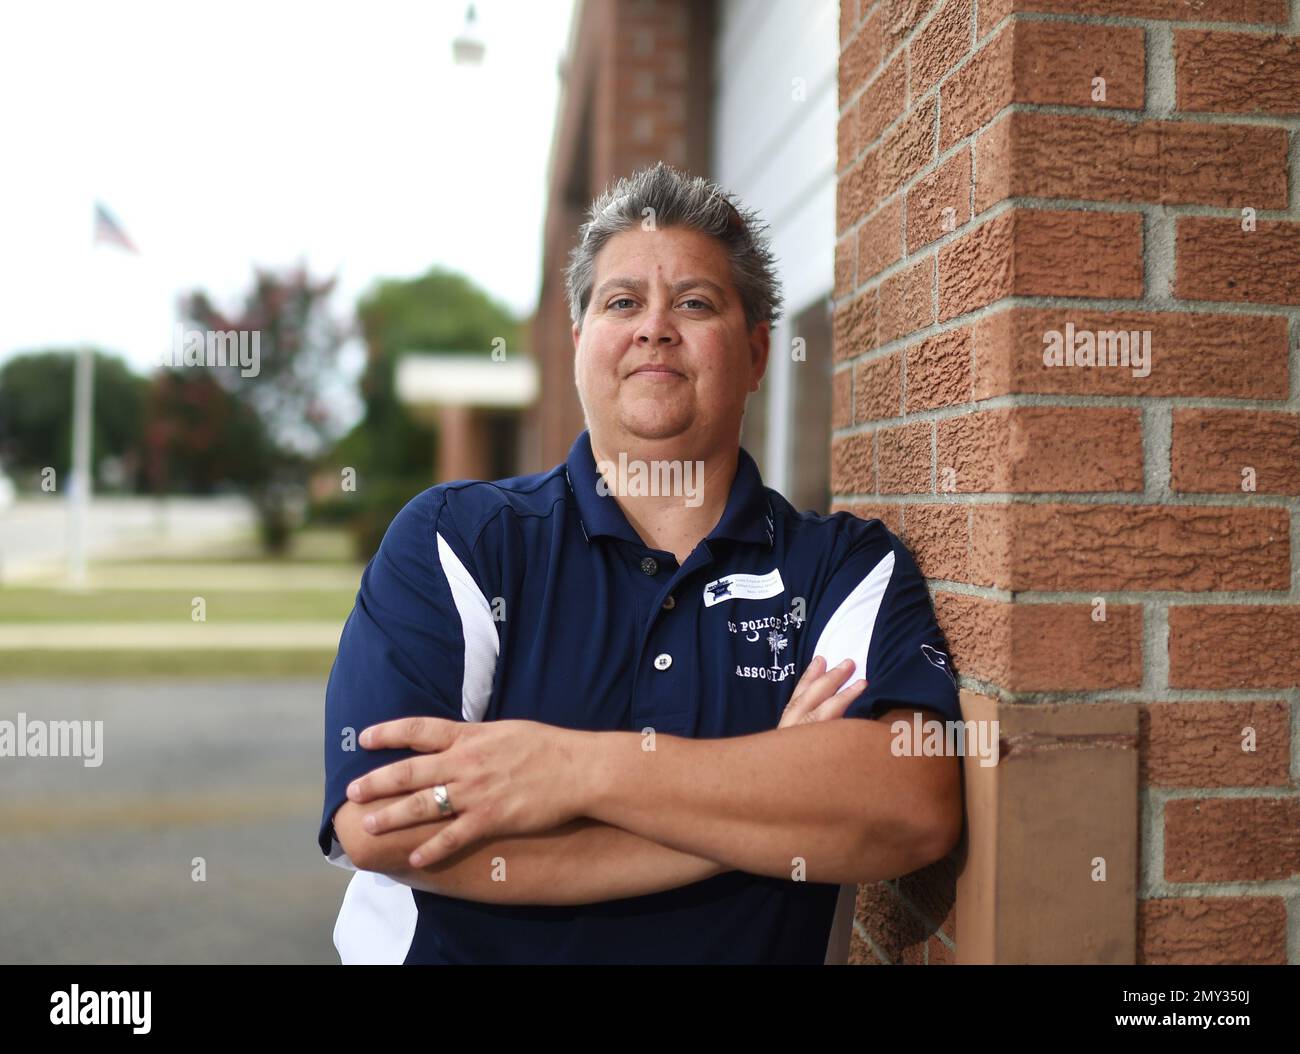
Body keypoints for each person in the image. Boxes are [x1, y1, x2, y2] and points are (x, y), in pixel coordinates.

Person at [318, 161, 963, 964]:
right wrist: (764, 804)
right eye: (623, 302)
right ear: (583, 342)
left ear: (758, 353)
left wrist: (569, 768)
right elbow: (386, 826)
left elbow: (912, 803)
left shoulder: (842, 568)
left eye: (695, 303)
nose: (655, 327)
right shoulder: (459, 541)